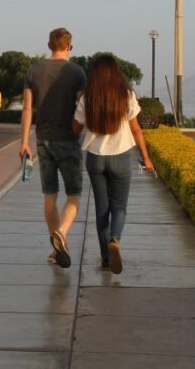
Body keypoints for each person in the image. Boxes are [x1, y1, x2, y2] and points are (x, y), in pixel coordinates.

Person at [72, 55, 154, 274]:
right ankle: (115, 239)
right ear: (116, 73)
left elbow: (75, 129)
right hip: (121, 157)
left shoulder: (87, 98)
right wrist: (146, 159)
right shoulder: (126, 95)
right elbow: (136, 130)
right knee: (119, 207)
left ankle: (106, 259)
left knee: (102, 210)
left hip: (95, 159)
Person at [20, 27, 86, 269]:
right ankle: (62, 232)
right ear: (69, 46)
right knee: (74, 194)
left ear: (49, 45)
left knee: (50, 195)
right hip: (68, 139)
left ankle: (56, 249)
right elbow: (83, 107)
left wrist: (24, 142)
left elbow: (27, 108)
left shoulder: (34, 70)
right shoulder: (76, 72)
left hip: (43, 140)